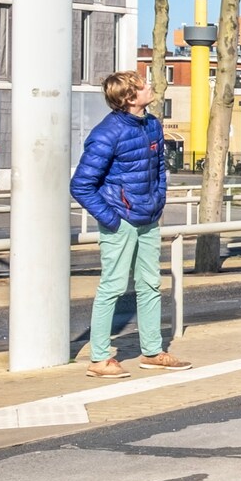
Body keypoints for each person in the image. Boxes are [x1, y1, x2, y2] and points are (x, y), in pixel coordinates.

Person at [71, 70, 188, 378]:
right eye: (142, 86)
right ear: (129, 97)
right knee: (112, 286)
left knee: (150, 284)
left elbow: (160, 168)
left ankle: (152, 352)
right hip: (120, 221)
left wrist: (158, 200)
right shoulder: (107, 133)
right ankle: (99, 359)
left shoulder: (151, 125)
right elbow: (81, 184)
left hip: (148, 218)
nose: (149, 88)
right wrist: (112, 218)